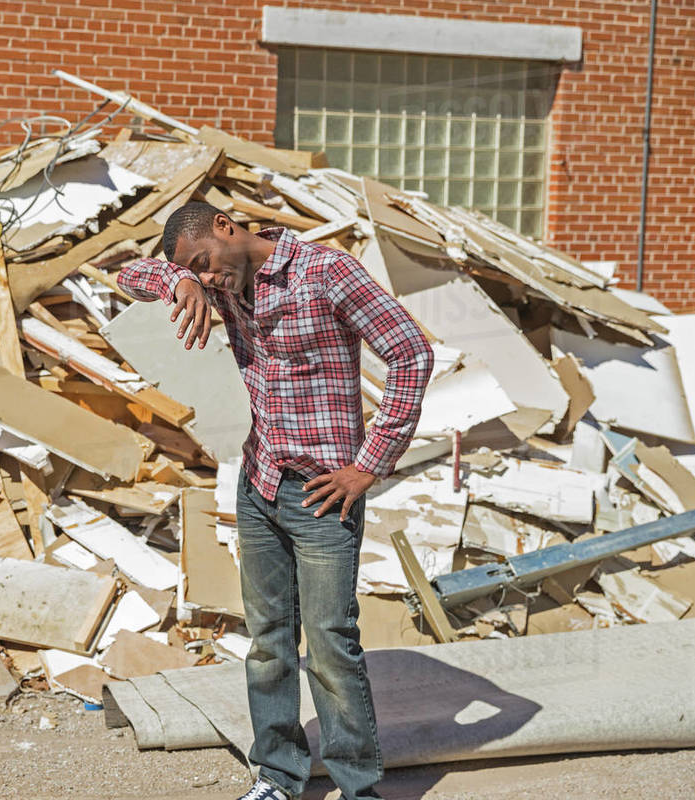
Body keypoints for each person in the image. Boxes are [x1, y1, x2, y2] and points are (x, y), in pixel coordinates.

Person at [116, 202, 433, 800]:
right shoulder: (223, 283)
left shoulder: (326, 273)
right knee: (267, 643)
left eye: (206, 262)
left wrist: (370, 465)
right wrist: (179, 278)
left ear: (228, 229)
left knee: (332, 646)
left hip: (323, 496)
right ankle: (279, 777)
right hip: (260, 482)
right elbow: (128, 274)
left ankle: (357, 787)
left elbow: (411, 353)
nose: (209, 278)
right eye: (199, 273)